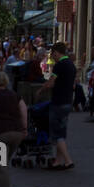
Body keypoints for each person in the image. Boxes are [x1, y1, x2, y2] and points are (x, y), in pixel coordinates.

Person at [37, 42, 77, 170]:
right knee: (61, 132)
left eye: (52, 54)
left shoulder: (59, 65)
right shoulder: (71, 64)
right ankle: (58, 161)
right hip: (68, 101)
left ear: (56, 52)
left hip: (58, 101)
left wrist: (41, 90)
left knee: (56, 134)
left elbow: (50, 83)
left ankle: (68, 160)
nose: (51, 57)